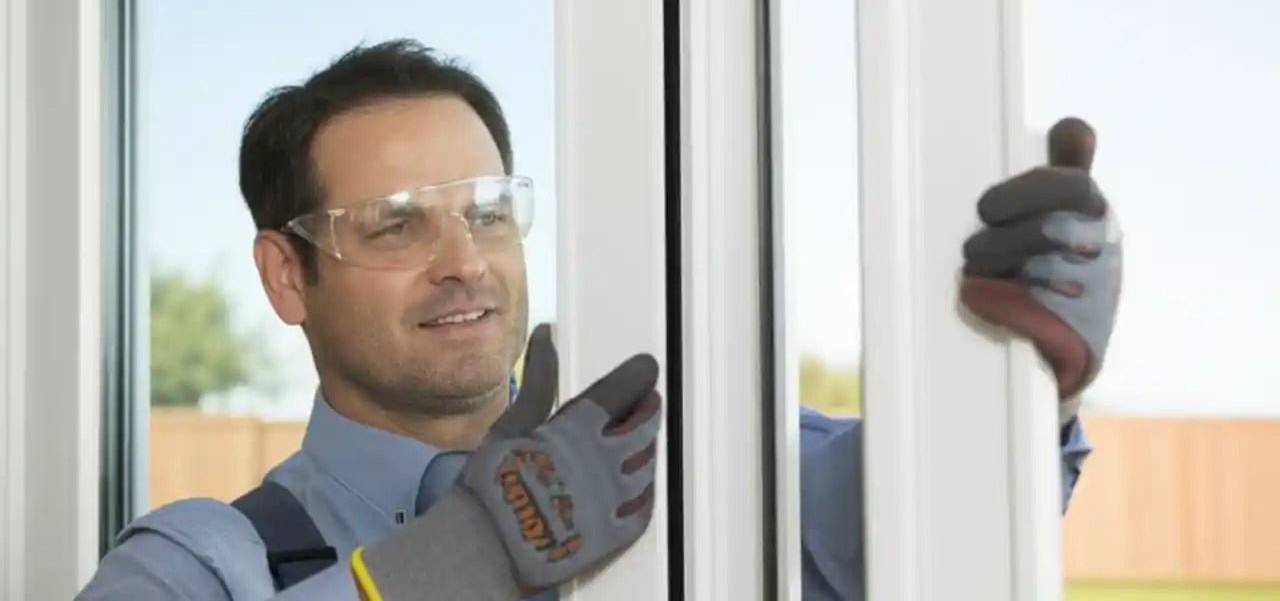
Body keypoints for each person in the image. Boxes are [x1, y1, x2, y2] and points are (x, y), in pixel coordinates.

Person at [76, 40, 1119, 601]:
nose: (463, 263)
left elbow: (939, 509)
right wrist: (468, 560)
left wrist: (1027, 371)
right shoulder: (207, 567)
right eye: (396, 226)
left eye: (486, 212)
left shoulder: (707, 468)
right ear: (285, 275)